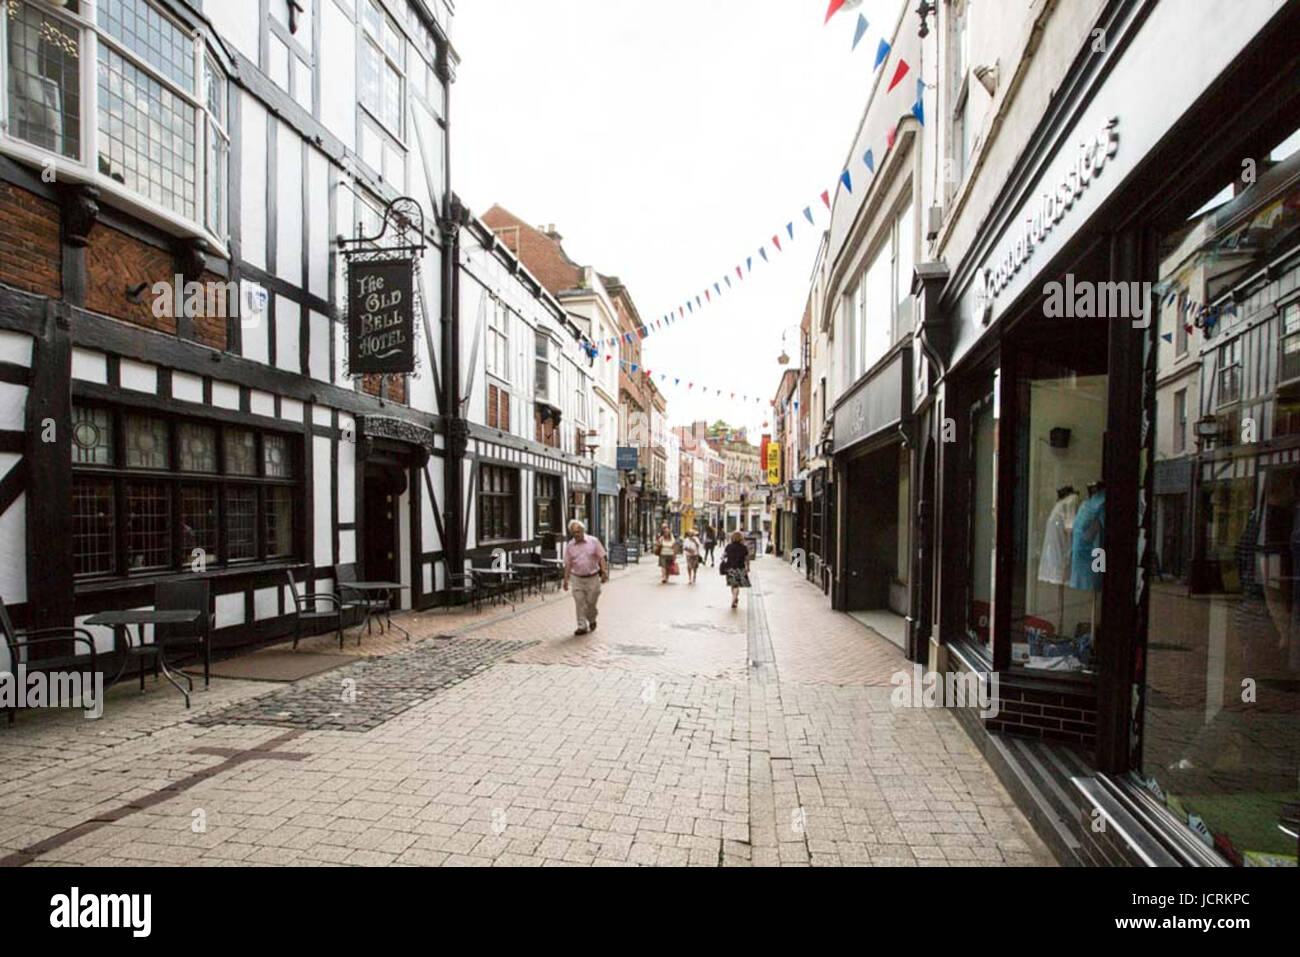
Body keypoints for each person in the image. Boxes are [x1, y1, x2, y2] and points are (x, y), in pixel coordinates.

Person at [562, 519, 608, 635]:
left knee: (591, 602)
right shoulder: (570, 546)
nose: (576, 535)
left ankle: (592, 619)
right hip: (577, 577)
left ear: (583, 530)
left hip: (592, 577)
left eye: (578, 532)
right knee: (579, 602)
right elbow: (568, 563)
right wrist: (566, 580)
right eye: (573, 532)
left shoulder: (594, 541)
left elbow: (601, 557)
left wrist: (604, 571)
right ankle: (581, 626)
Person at [721, 530, 751, 609]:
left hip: (730, 567)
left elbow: (723, 556)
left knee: (733, 584)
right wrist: (748, 567)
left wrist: (723, 559)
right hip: (740, 567)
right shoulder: (744, 547)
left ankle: (734, 598)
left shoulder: (729, 546)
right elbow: (747, 558)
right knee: (737, 585)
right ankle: (735, 598)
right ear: (741, 538)